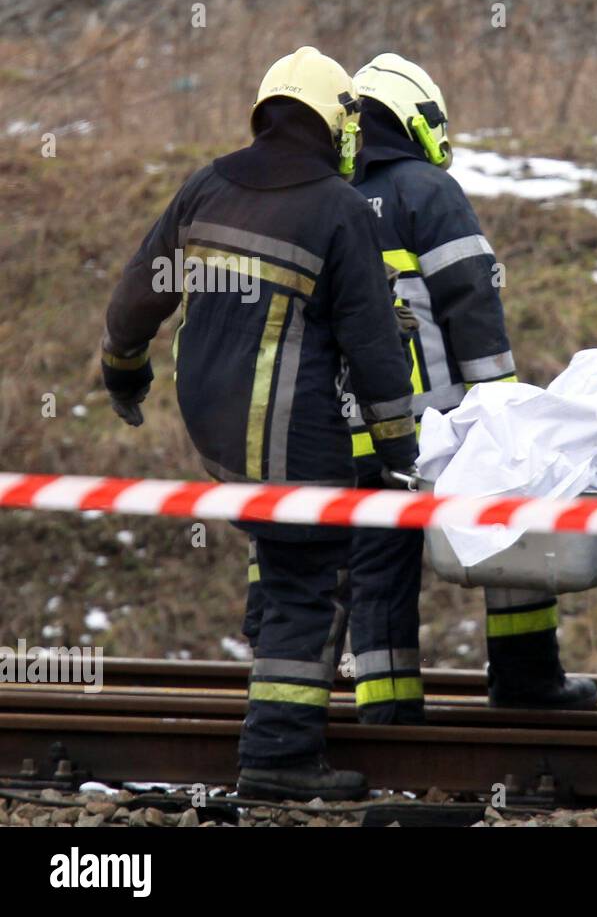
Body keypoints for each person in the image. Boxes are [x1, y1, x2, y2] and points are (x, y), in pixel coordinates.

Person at [100, 47, 418, 800]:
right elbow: (374, 348)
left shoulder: (207, 184)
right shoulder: (337, 208)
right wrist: (401, 448)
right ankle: (279, 755)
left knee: (281, 546)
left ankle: (268, 659)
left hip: (214, 423)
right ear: (334, 122)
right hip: (281, 424)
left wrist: (123, 367)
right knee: (316, 569)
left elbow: (136, 296)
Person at [345, 53, 597, 718]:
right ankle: (526, 680)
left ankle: (387, 712)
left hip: (342, 429)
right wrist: (500, 408)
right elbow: (471, 304)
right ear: (415, 118)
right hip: (435, 430)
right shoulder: (426, 191)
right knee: (513, 527)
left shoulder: (328, 196)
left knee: (375, 568)